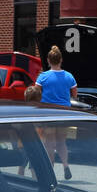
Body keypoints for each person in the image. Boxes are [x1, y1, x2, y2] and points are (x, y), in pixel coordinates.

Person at [36, 45, 76, 179]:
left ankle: (51, 170)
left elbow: (35, 94)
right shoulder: (69, 76)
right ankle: (66, 165)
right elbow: (74, 95)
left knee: (50, 142)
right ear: (61, 60)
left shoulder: (43, 77)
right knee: (61, 142)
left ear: (48, 60)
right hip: (64, 114)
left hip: (48, 113)